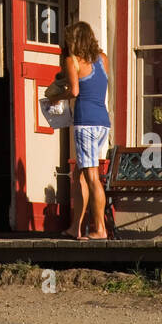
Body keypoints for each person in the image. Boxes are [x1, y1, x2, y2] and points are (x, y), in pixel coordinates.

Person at [62, 21, 110, 240]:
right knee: (80, 174)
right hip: (102, 121)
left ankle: (100, 229)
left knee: (91, 176)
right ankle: (76, 227)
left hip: (86, 122)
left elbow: (74, 91)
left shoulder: (72, 61)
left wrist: (55, 96)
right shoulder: (102, 59)